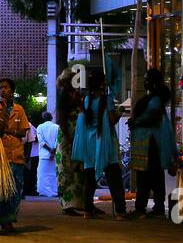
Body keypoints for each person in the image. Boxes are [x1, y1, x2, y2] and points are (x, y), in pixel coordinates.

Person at [73, 67, 127, 218]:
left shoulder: (87, 99)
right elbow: (111, 120)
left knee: (89, 177)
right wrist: (120, 112)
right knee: (113, 176)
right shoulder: (107, 99)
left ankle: (88, 211)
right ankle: (121, 212)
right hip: (105, 140)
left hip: (90, 141)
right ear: (102, 82)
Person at [128, 69, 176, 217]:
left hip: (150, 144)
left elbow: (153, 118)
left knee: (147, 177)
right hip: (148, 143)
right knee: (153, 176)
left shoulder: (155, 100)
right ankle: (155, 207)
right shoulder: (154, 99)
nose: (145, 82)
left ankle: (145, 208)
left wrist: (136, 122)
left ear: (153, 82)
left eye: (147, 79)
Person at [0, 77, 32, 233]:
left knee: (15, 189)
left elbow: (23, 131)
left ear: (12, 90)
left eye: (6, 87)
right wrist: (5, 112)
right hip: (1, 155)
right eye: (1, 87)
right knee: (0, 189)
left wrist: (9, 131)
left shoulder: (20, 109)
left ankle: (10, 220)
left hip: (17, 154)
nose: (3, 90)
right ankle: (0, 221)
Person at [55, 65, 86, 216]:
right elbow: (61, 117)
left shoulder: (74, 94)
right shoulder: (64, 94)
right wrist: (68, 137)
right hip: (68, 133)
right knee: (67, 168)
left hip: (76, 132)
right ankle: (68, 204)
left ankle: (77, 202)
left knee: (77, 169)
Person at [35, 111, 59, 197]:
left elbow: (41, 142)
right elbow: (58, 140)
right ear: (51, 118)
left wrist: (49, 150)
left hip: (43, 155)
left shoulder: (40, 127)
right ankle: (54, 191)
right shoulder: (57, 127)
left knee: (42, 174)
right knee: (53, 173)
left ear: (43, 118)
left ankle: (43, 192)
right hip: (55, 154)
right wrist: (53, 151)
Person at [23, 120, 40, 196]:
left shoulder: (29, 125)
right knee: (30, 172)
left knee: (30, 172)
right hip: (32, 153)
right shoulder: (29, 125)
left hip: (32, 153)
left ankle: (29, 189)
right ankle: (29, 189)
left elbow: (33, 138)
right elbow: (34, 138)